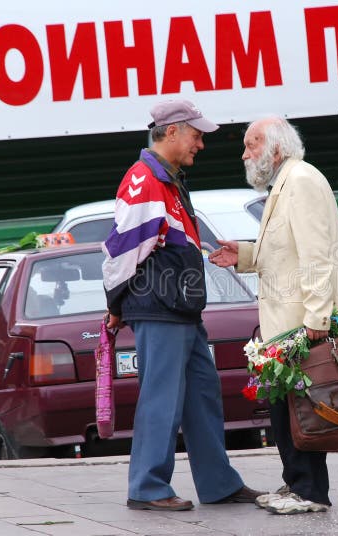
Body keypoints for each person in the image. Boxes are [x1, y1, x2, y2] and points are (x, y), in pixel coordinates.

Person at [101, 99, 264, 512]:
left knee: (202, 395)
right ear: (170, 131)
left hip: (178, 308)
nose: (201, 145)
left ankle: (218, 483)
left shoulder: (165, 178)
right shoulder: (146, 181)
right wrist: (116, 305)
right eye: (196, 135)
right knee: (163, 398)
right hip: (159, 307)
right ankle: (147, 488)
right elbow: (120, 253)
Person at [209, 116, 338, 515]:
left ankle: (310, 491)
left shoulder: (302, 182)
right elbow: (284, 249)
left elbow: (316, 255)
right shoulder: (287, 183)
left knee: (301, 407)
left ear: (277, 148)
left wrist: (316, 317)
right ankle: (297, 483)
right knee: (285, 406)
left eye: (252, 144)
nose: (245, 153)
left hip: (300, 320)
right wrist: (243, 255)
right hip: (286, 321)